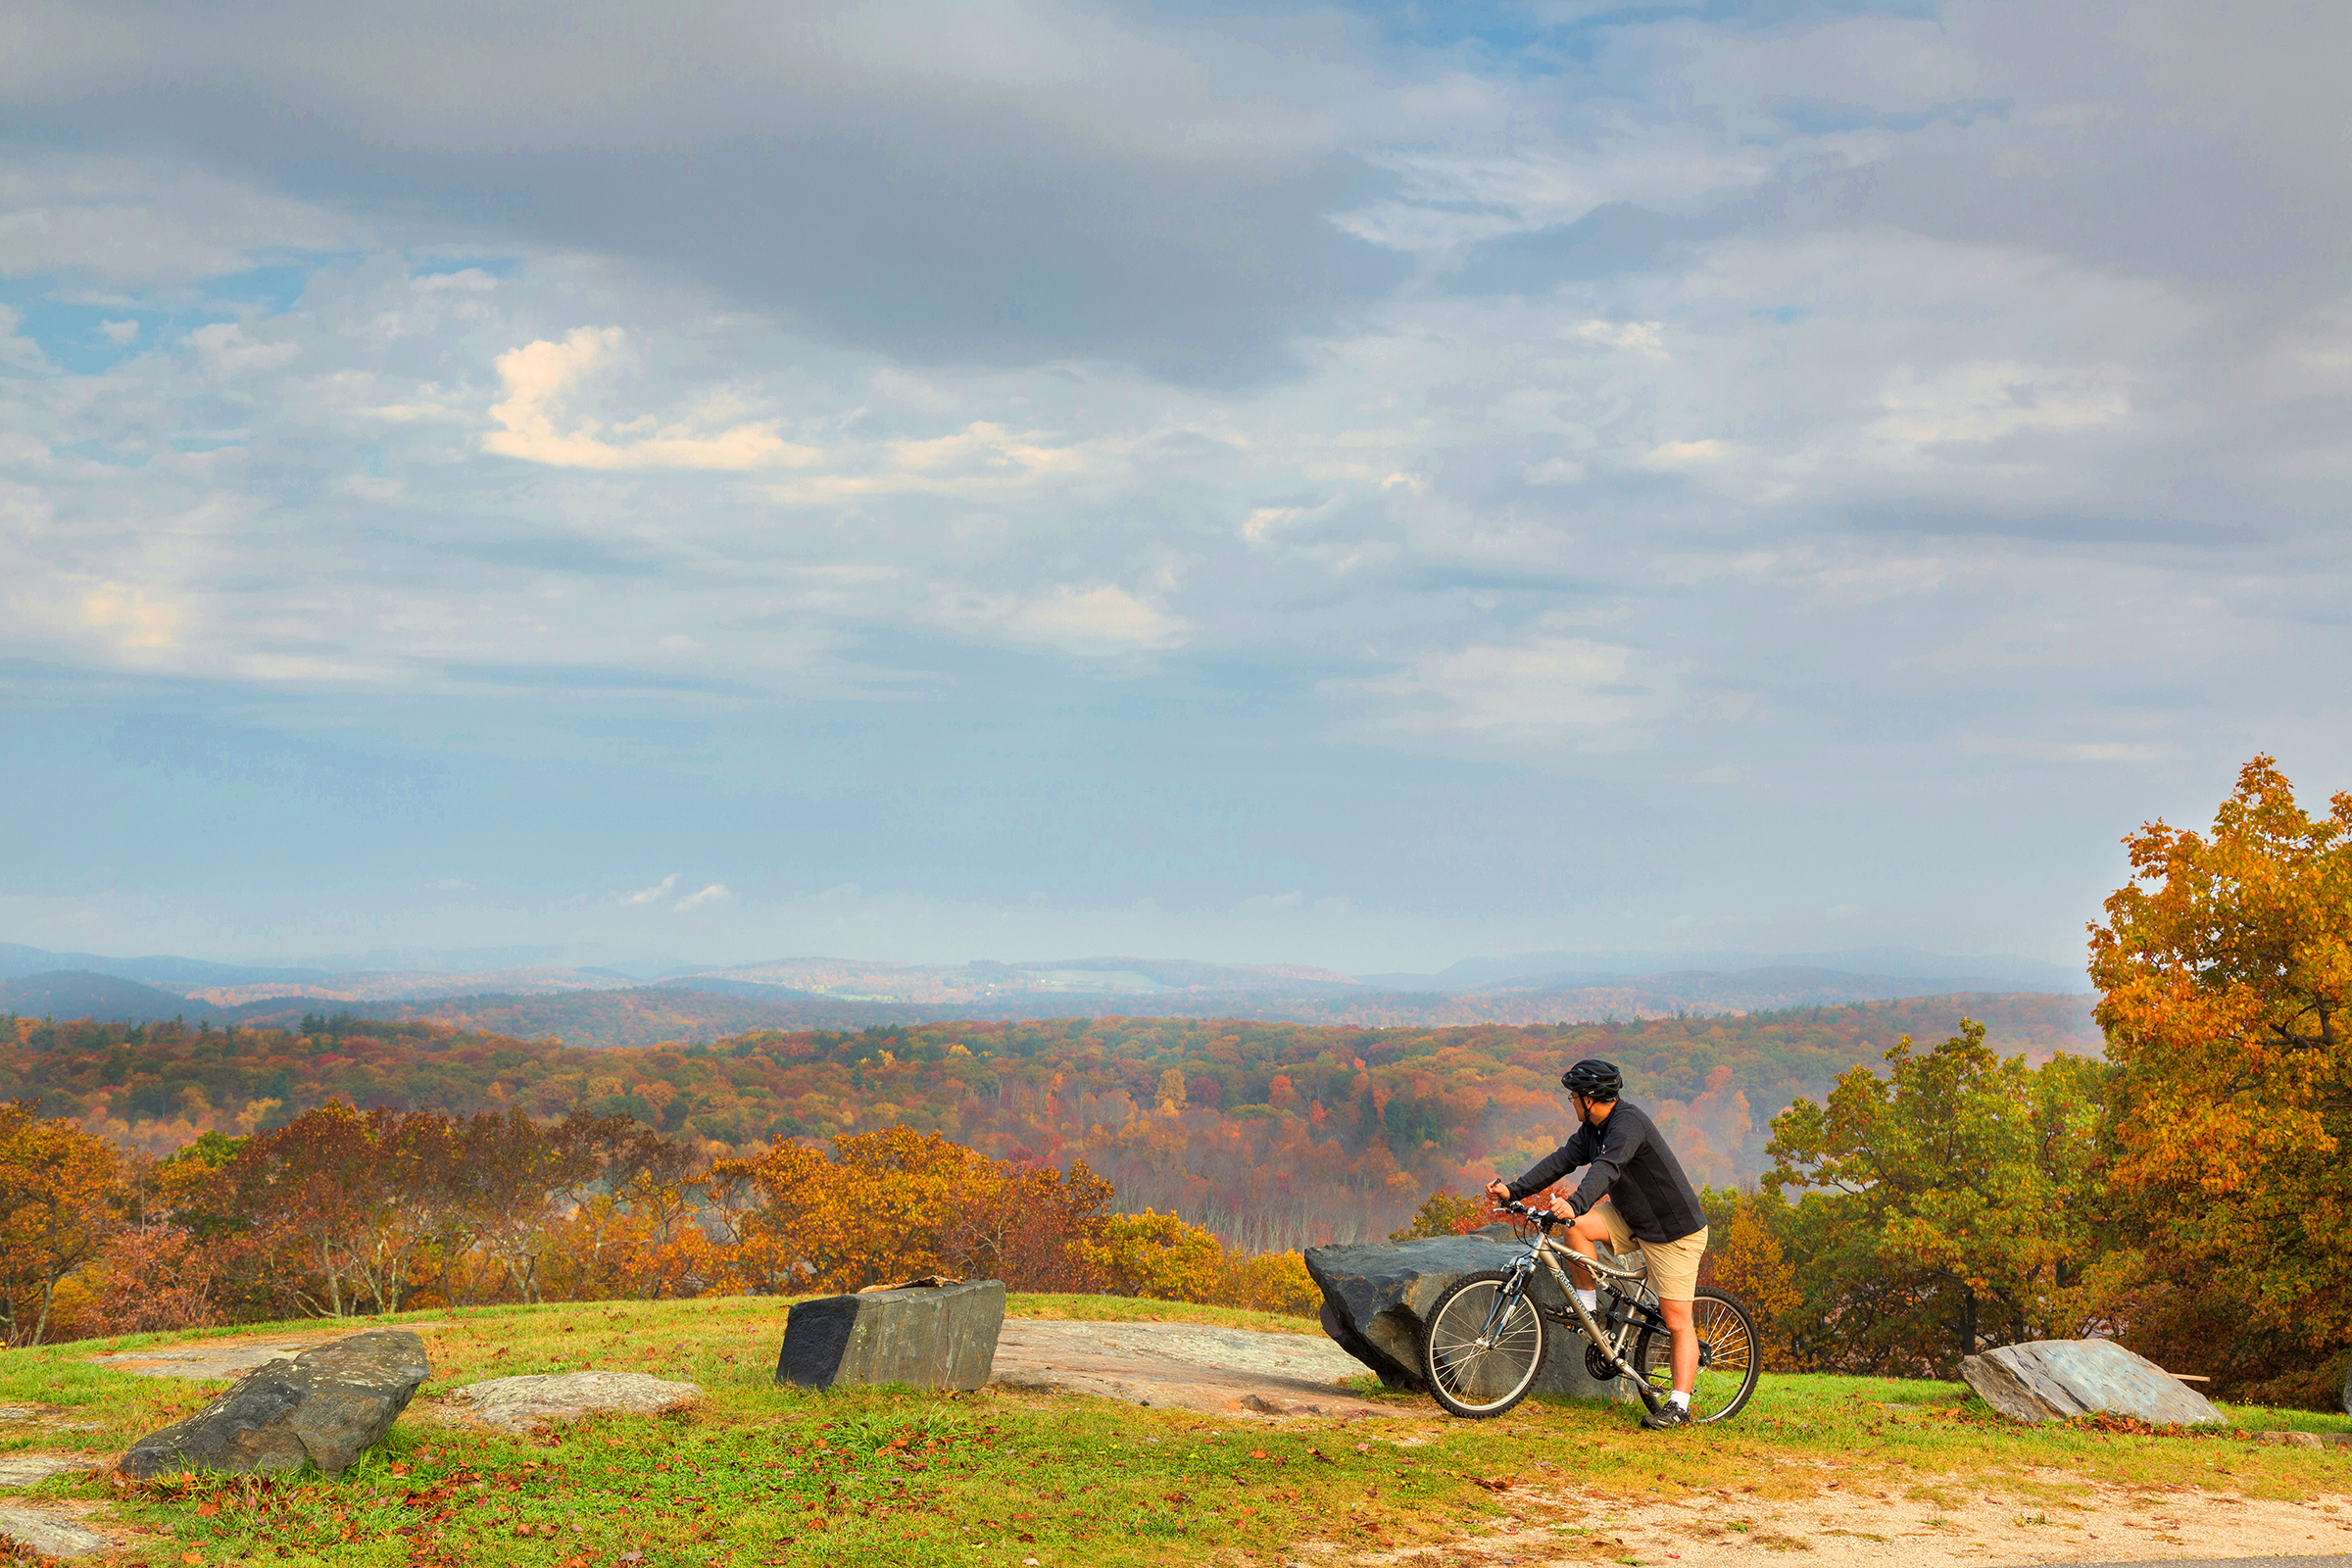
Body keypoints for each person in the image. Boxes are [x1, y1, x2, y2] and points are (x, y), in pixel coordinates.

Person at [1485, 1058, 1709, 1429]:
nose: (1571, 1102)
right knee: (1574, 1228)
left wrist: (1574, 1202)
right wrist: (1513, 1189)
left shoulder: (1628, 1124)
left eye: (1573, 1096)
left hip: (1673, 1231)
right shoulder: (1592, 1128)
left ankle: (1679, 1406)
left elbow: (1607, 1169)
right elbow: (1561, 1160)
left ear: (1590, 1099)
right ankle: (1587, 1310)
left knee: (1676, 1320)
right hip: (1632, 1218)